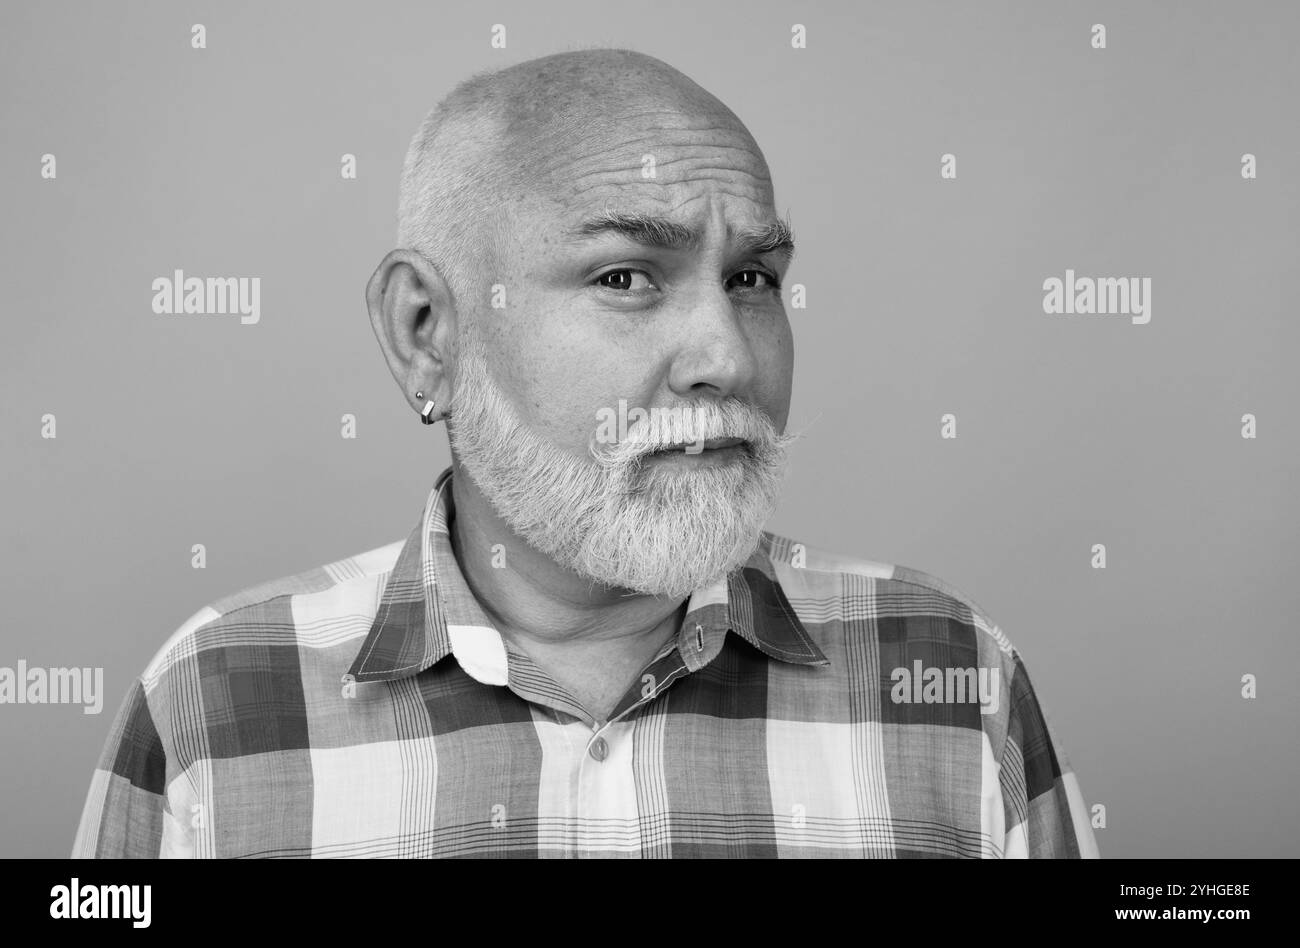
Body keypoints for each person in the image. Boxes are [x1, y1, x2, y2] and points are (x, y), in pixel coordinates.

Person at [73, 47, 1099, 858]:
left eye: (751, 280)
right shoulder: (215, 701)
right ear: (427, 330)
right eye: (624, 277)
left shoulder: (951, 677)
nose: (725, 358)